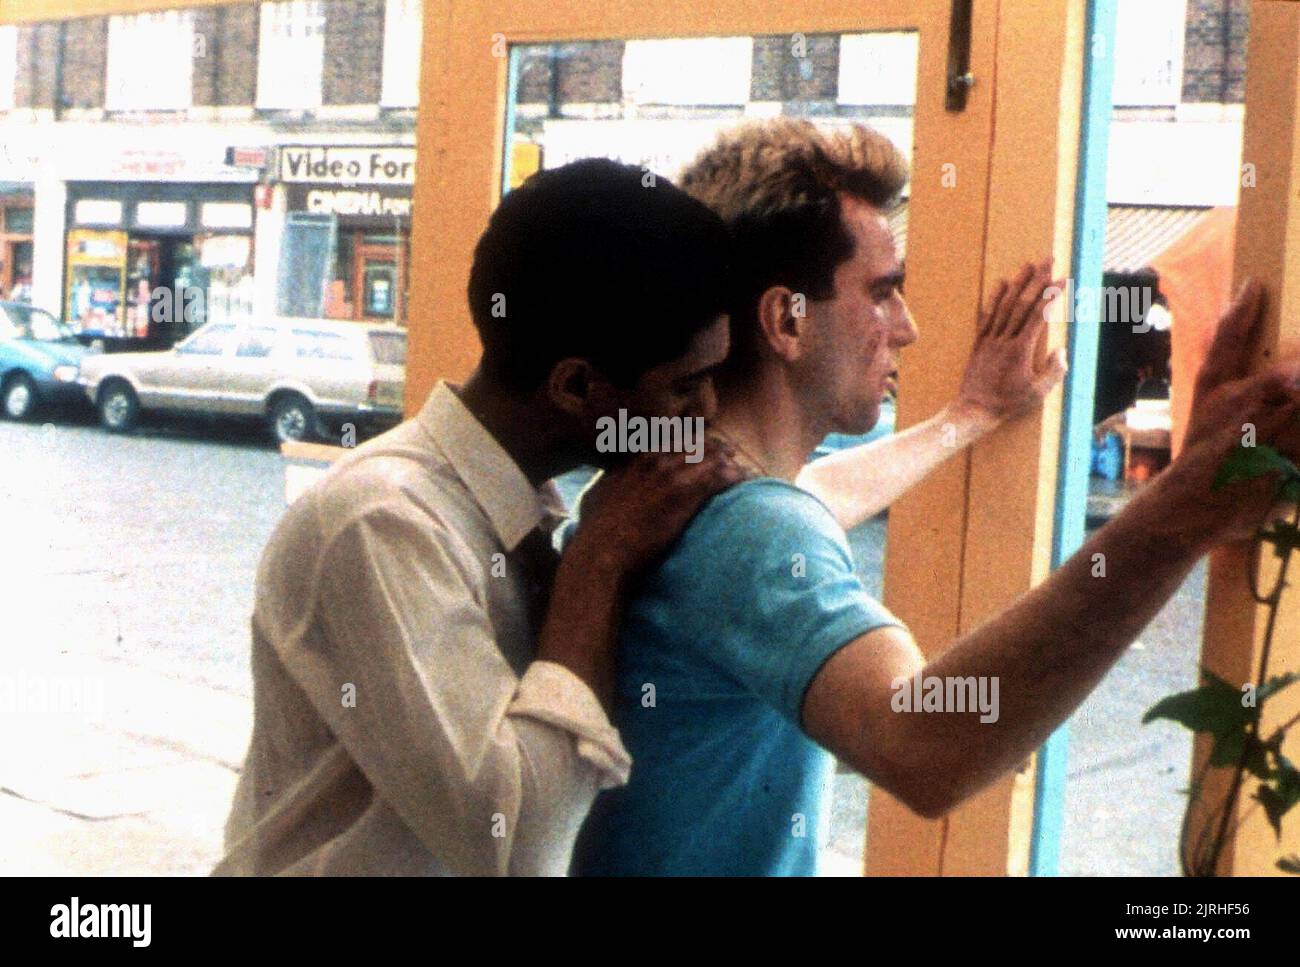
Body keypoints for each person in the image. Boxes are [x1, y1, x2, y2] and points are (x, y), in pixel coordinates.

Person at [571, 119, 1300, 876]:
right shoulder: (753, 532)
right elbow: (926, 743)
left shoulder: (675, 483)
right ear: (784, 320)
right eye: (884, 293)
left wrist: (969, 416)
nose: (908, 328)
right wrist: (1185, 507)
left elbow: (815, 493)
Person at [214, 158, 745, 876]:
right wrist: (600, 559)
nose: (708, 413)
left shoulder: (515, 512)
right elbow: (517, 843)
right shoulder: (382, 521)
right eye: (687, 386)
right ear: (578, 385)